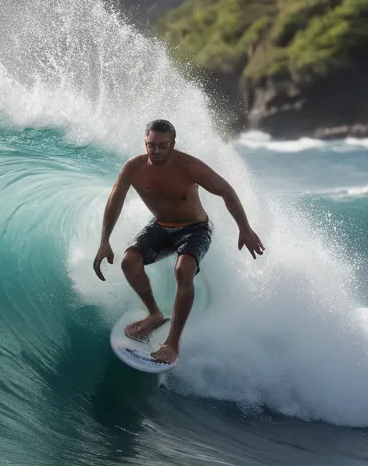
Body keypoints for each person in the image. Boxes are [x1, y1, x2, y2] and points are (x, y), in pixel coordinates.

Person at [93, 119, 264, 364]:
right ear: (145, 142)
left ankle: (172, 343)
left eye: (163, 145)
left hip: (196, 229)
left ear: (173, 144)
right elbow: (115, 199)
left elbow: (226, 190)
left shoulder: (189, 167)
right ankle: (154, 315)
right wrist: (105, 241)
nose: (156, 151)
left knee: (183, 269)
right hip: (161, 226)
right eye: (151, 145)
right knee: (129, 262)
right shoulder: (133, 168)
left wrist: (244, 228)